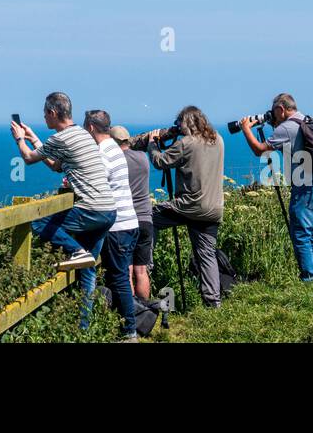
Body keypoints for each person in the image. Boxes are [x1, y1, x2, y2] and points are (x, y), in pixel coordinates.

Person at [11, 91, 117, 329]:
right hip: (109, 211)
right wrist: (34, 137)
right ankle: (84, 328)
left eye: (44, 113)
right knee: (88, 269)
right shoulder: (81, 133)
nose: (43, 117)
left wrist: (19, 138)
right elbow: (57, 166)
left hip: (91, 209)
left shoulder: (60, 139)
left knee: (38, 223)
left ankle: (76, 251)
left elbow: (28, 159)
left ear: (52, 112)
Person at [135, 106, 225, 308]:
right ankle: (213, 302)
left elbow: (161, 162)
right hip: (213, 208)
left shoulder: (186, 143)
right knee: (207, 255)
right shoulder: (217, 139)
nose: (178, 127)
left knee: (150, 216)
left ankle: (145, 266)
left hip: (188, 206)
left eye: (179, 124)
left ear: (185, 123)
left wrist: (152, 144)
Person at [239, 92, 313, 281]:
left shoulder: (286, 128)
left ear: (281, 109)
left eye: (274, 112)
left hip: (305, 187)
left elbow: (259, 151)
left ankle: (309, 278)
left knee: (300, 233)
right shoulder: (308, 120)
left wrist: (246, 129)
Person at [83, 111, 138, 340]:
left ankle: (129, 330)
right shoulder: (115, 148)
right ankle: (125, 326)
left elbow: (96, 182)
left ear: (92, 128)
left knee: (119, 279)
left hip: (118, 227)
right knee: (120, 276)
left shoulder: (103, 153)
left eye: (85, 127)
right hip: (129, 222)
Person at [111, 124, 154, 302]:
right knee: (141, 270)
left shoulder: (116, 161)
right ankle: (145, 309)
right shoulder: (143, 157)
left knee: (127, 270)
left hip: (126, 221)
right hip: (146, 218)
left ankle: (131, 312)